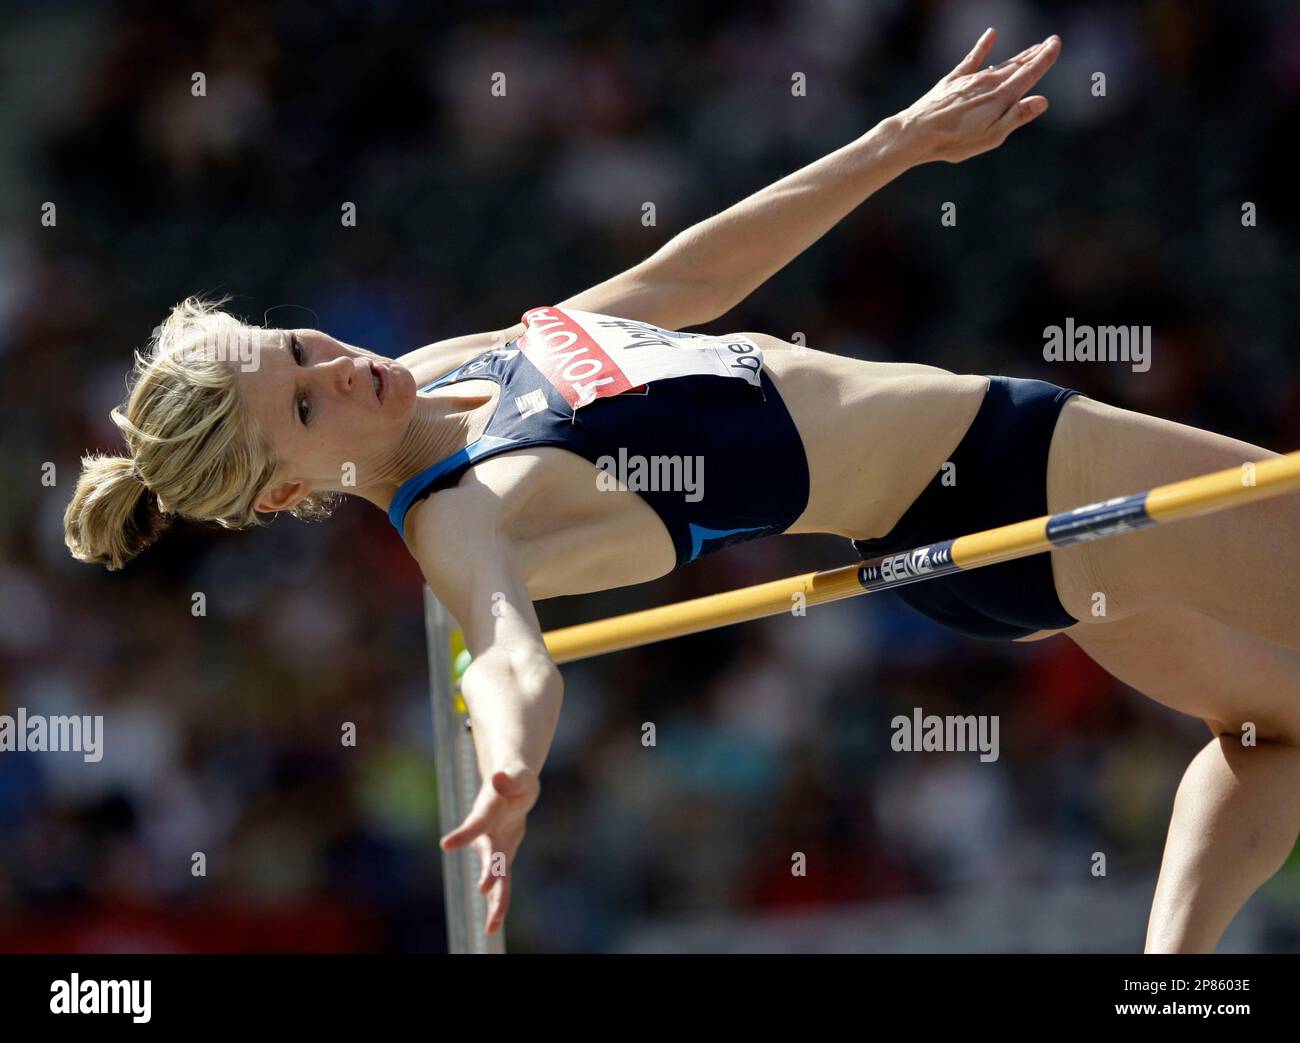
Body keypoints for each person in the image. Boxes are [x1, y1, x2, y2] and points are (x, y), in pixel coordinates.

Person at [63, 30, 1300, 952]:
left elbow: (673, 285)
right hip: (1016, 473)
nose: (337, 368)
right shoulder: (458, 505)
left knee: (1267, 732)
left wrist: (898, 142)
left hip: (967, 547)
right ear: (288, 496)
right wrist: (512, 768)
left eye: (299, 346)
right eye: (304, 406)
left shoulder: (440, 370)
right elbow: (503, 648)